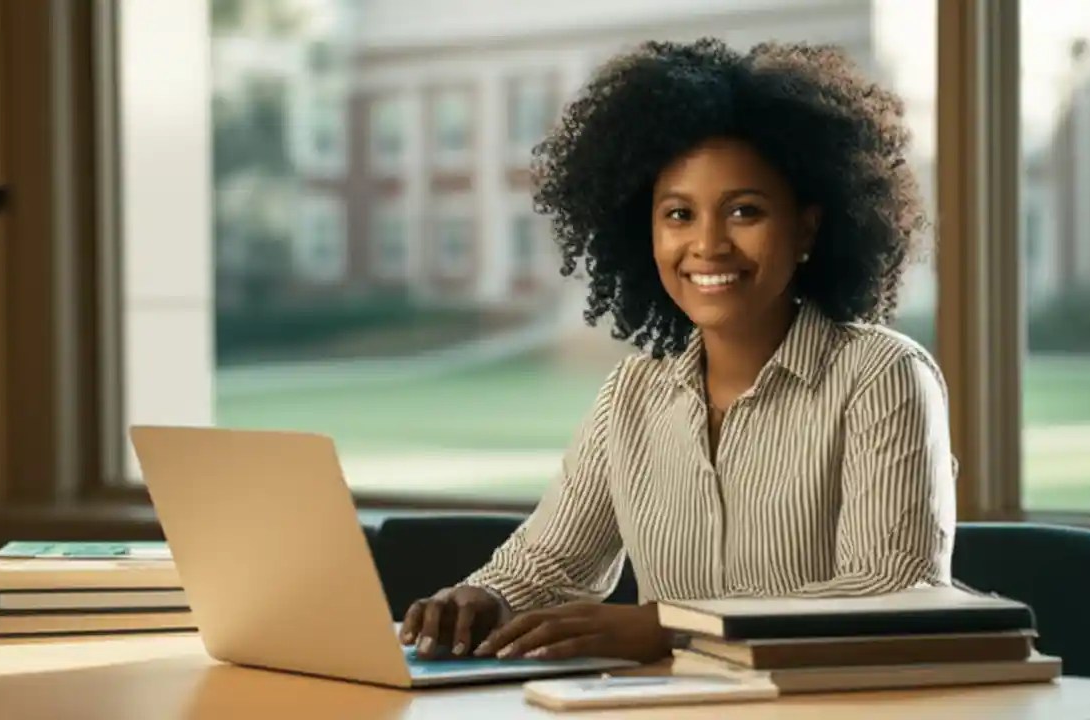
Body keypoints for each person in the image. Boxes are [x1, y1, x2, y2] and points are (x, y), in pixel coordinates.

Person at [399, 38, 956, 664]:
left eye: (745, 211)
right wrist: (483, 597)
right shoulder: (631, 396)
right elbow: (550, 563)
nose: (708, 244)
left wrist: (671, 626)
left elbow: (894, 592)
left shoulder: (883, 376)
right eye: (679, 214)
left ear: (807, 227)